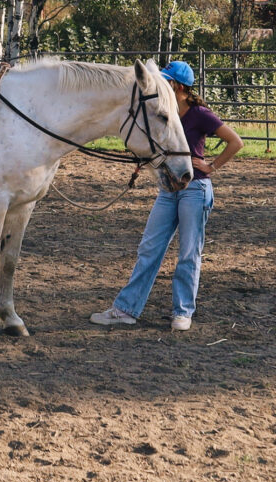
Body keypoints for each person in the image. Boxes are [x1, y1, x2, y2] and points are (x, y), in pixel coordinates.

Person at [90, 60, 243, 332]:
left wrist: (211, 166)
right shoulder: (163, 111)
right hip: (168, 189)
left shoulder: (200, 114)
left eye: (166, 80)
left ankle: (183, 312)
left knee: (188, 253)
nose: (161, 84)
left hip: (195, 189)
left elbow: (236, 141)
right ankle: (126, 309)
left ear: (178, 86)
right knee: (149, 248)